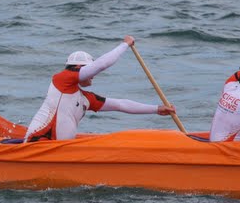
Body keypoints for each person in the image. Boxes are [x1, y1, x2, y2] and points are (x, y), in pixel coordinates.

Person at [23, 35, 176, 142]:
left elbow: (120, 104)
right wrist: (125, 45)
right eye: (89, 70)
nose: (93, 75)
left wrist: (157, 109)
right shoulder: (62, 79)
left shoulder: (86, 99)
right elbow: (101, 65)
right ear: (77, 68)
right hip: (37, 145)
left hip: (58, 149)